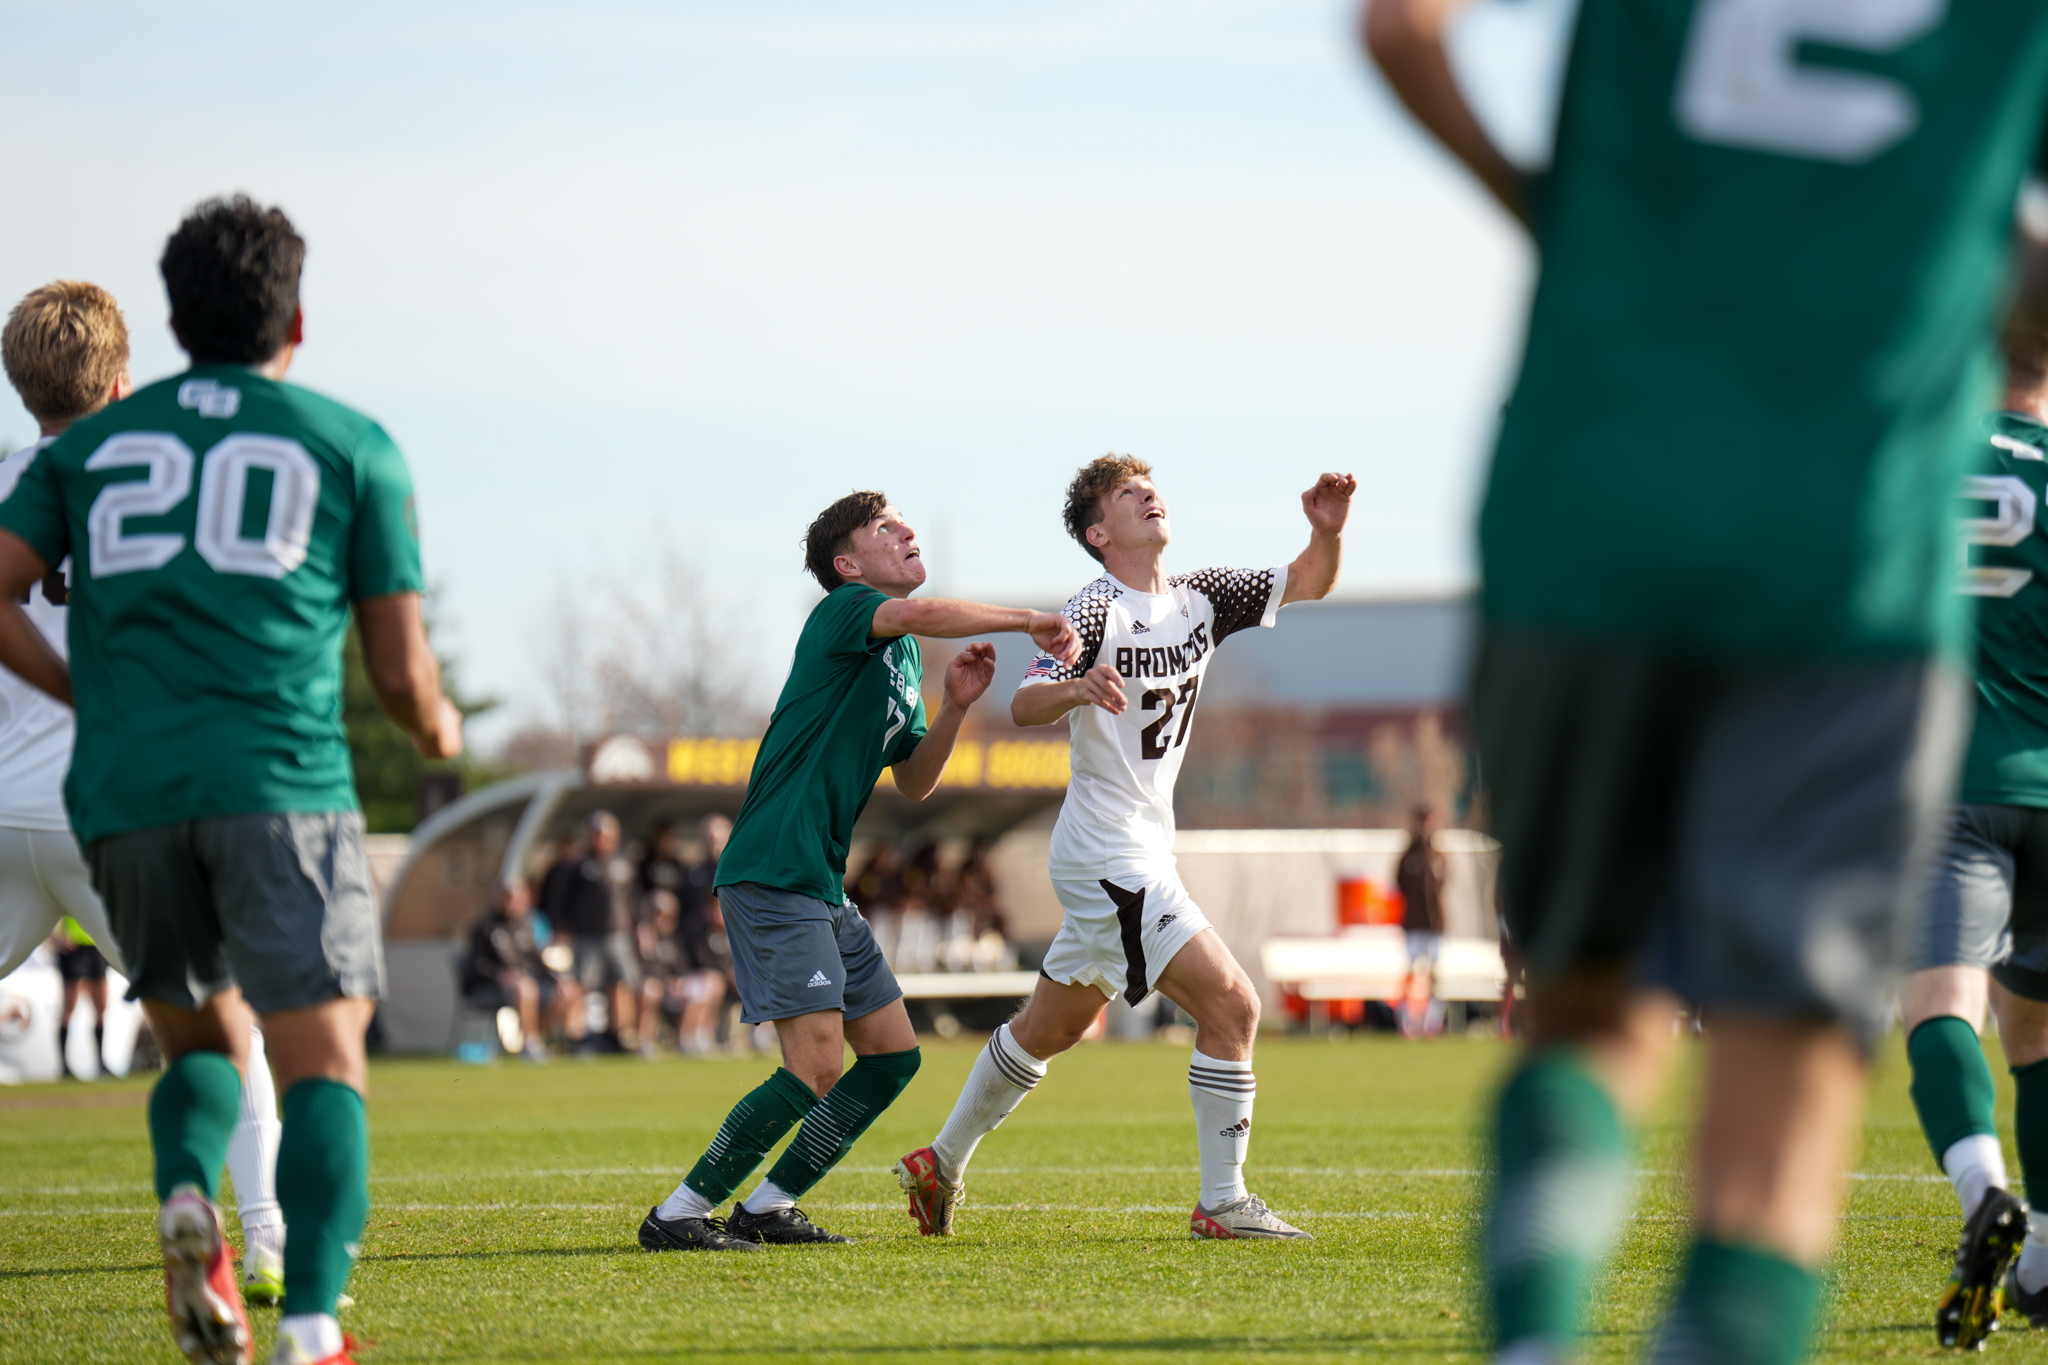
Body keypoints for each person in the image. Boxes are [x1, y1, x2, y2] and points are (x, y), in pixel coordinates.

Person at [1363, 3, 2048, 1361]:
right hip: (1847, 552)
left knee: (1591, 997)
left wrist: (1559, 214)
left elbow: (1401, 28)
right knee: (1788, 1045)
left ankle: (1539, 1330)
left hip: (1587, 506)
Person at [0, 197, 462, 1365]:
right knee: (318, 1059)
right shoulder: (348, 440)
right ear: (295, 313)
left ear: (172, 317)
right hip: (279, 788)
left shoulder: (95, 444)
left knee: (196, 1044)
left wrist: (84, 696)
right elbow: (400, 671)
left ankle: (185, 1203)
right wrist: (438, 725)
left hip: (126, 797)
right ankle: (307, 1318)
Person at [897, 455, 1354, 1241]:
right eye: (1127, 493)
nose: (1150, 495)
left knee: (1049, 1028)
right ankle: (1223, 1201)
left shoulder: (1203, 596)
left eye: (1151, 486)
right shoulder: (1097, 606)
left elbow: (1311, 579)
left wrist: (1325, 531)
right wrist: (1076, 686)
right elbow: (1025, 697)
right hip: (1108, 853)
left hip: (1139, 850)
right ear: (1098, 532)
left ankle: (940, 1160)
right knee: (1235, 1004)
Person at [638, 490, 1079, 1251]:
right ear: (848, 564)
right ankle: (678, 1213)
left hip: (822, 883)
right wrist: (1027, 618)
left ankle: (769, 1205)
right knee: (815, 1065)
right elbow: (917, 614)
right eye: (886, 527)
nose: (906, 530)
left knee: (891, 1057)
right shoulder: (847, 609)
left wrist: (954, 709)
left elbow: (913, 780)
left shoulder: (902, 653)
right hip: (775, 867)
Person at [0, 279, 290, 1308]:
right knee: (227, 1032)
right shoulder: (156, 489)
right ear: (124, 377)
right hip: (114, 808)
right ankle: (265, 1244)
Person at [1902, 311, 2048, 1343]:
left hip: (1944, 786)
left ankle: (1980, 1193)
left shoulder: (1913, 453)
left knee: (1937, 1005)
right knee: (2037, 1035)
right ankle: (2040, 1258)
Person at [541, 811, 640, 1049]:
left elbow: (633, 899)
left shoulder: (623, 863)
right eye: (596, 834)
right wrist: (561, 928)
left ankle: (620, 1035)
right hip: (586, 935)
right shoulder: (577, 865)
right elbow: (559, 901)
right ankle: (575, 1035)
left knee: (621, 984)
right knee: (582, 984)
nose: (601, 839)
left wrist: (638, 927)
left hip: (618, 934)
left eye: (605, 834)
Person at [458, 879, 563, 1063]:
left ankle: (538, 1040)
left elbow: (536, 959)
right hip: (488, 987)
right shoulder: (483, 927)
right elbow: (475, 965)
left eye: (516, 899)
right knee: (525, 987)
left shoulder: (522, 925)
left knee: (567, 992)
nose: (511, 904)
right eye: (507, 898)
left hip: (524, 983)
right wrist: (499, 975)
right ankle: (530, 1045)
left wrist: (559, 978)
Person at [1396, 805, 1446, 1038]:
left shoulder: (1438, 853)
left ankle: (1432, 1021)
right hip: (1414, 924)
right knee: (1411, 972)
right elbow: (1400, 883)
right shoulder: (1409, 853)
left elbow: (1444, 883)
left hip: (1435, 925)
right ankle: (1407, 1020)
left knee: (1435, 975)